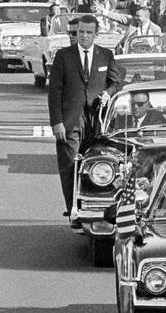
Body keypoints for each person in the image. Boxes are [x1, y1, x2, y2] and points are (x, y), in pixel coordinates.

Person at [48, 15, 124, 217]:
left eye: (89, 32)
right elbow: (54, 91)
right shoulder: (64, 56)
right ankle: (73, 208)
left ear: (96, 34)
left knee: (94, 164)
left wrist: (108, 93)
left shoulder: (105, 55)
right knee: (70, 164)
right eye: (80, 32)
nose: (83, 36)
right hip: (70, 120)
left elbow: (116, 82)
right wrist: (57, 122)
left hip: (96, 121)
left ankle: (94, 205)